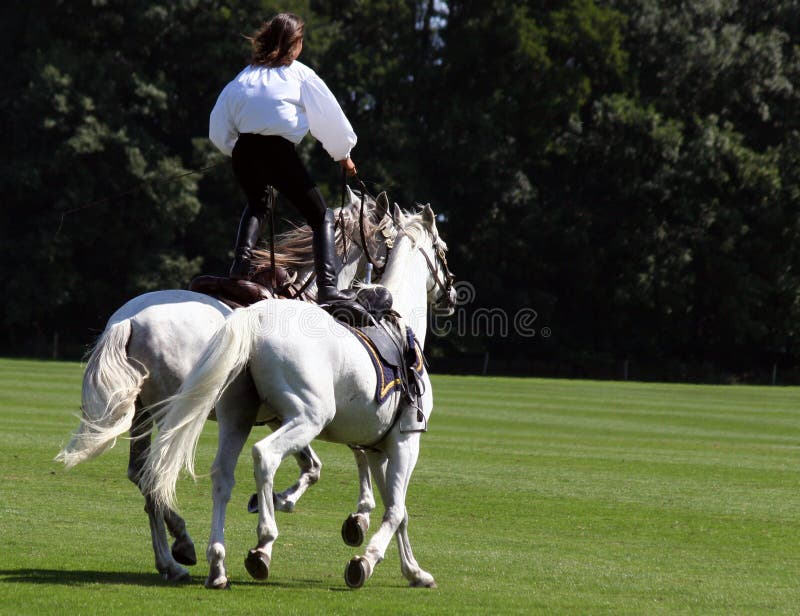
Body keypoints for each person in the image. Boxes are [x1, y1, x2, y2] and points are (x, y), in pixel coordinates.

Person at [209, 12, 358, 303]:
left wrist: (234, 150)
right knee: (321, 216)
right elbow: (327, 115)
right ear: (296, 44)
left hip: (244, 151)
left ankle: (238, 269)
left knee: (257, 204)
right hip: (278, 151)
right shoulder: (300, 74)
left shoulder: (243, 77)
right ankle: (328, 289)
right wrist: (344, 155)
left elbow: (218, 127)